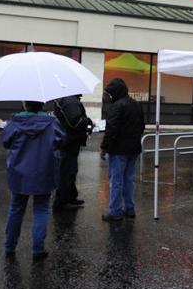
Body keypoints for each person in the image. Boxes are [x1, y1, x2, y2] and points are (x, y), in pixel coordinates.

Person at [2, 101, 64, 260]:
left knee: (16, 207)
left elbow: (6, 142)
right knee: (41, 209)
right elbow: (61, 140)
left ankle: (10, 246)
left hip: (19, 172)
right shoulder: (51, 122)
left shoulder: (14, 122)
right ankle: (38, 249)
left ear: (24, 104)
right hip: (44, 171)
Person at [100, 78, 144, 221]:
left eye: (110, 93)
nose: (109, 96)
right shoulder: (136, 104)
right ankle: (129, 208)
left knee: (116, 181)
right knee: (129, 179)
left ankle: (115, 211)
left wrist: (104, 148)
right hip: (134, 148)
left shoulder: (116, 106)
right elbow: (142, 126)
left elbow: (111, 130)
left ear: (115, 92)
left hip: (118, 149)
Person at [53, 94, 94, 210]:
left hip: (68, 140)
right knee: (67, 171)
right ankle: (62, 201)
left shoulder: (68, 99)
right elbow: (76, 121)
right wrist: (88, 122)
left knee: (70, 169)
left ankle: (70, 196)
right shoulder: (70, 101)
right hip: (69, 141)